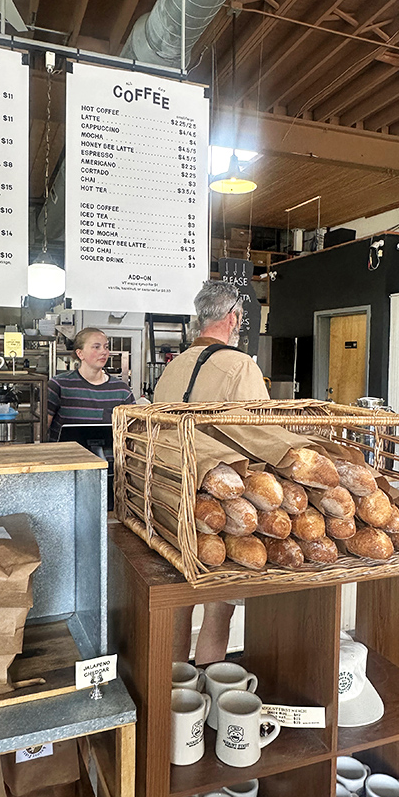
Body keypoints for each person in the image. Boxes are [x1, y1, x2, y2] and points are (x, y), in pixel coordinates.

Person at [153, 280, 269, 665]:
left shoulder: (174, 367)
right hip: (222, 503)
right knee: (218, 612)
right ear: (233, 318)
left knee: (180, 604)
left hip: (172, 496)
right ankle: (211, 698)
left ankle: (174, 699)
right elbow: (260, 433)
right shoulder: (240, 365)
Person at [47, 327, 135, 442]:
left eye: (106, 347)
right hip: (68, 458)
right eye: (96, 347)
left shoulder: (121, 390)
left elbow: (133, 432)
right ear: (80, 353)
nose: (104, 352)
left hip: (108, 460)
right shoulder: (59, 386)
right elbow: (43, 429)